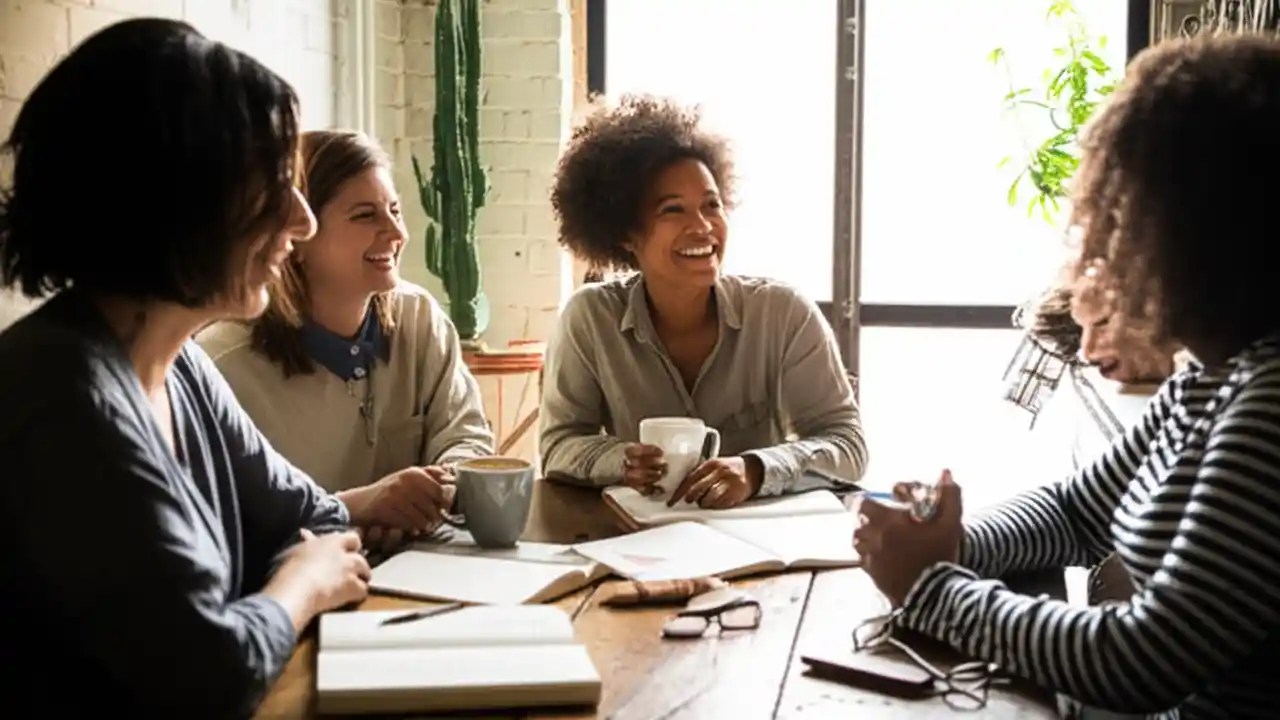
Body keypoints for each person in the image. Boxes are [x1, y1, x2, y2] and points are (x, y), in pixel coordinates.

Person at [853, 34, 1280, 718]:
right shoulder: (1207, 378)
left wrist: (928, 586)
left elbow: (1141, 661)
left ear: (1206, 226)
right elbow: (1077, 511)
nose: (1105, 247)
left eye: (1122, 218)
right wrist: (948, 542)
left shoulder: (1268, 405)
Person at [0, 19, 371, 718]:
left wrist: (258, 603)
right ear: (174, 193)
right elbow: (207, 678)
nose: (303, 221)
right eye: (271, 184)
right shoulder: (58, 398)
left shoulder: (184, 368)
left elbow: (315, 517)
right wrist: (299, 588)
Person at [540, 94, 867, 508]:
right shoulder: (590, 318)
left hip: (761, 545)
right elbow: (557, 447)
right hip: (641, 541)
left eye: (711, 205)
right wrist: (619, 461)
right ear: (625, 233)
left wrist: (756, 469)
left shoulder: (784, 314)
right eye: (672, 210)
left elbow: (848, 445)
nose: (702, 227)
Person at [198, 130, 493, 551]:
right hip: (297, 587)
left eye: (394, 210)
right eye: (364, 215)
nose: (396, 232)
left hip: (420, 570)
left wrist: (433, 492)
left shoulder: (420, 319)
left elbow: (467, 437)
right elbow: (227, 524)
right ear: (298, 235)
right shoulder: (221, 364)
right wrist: (353, 512)